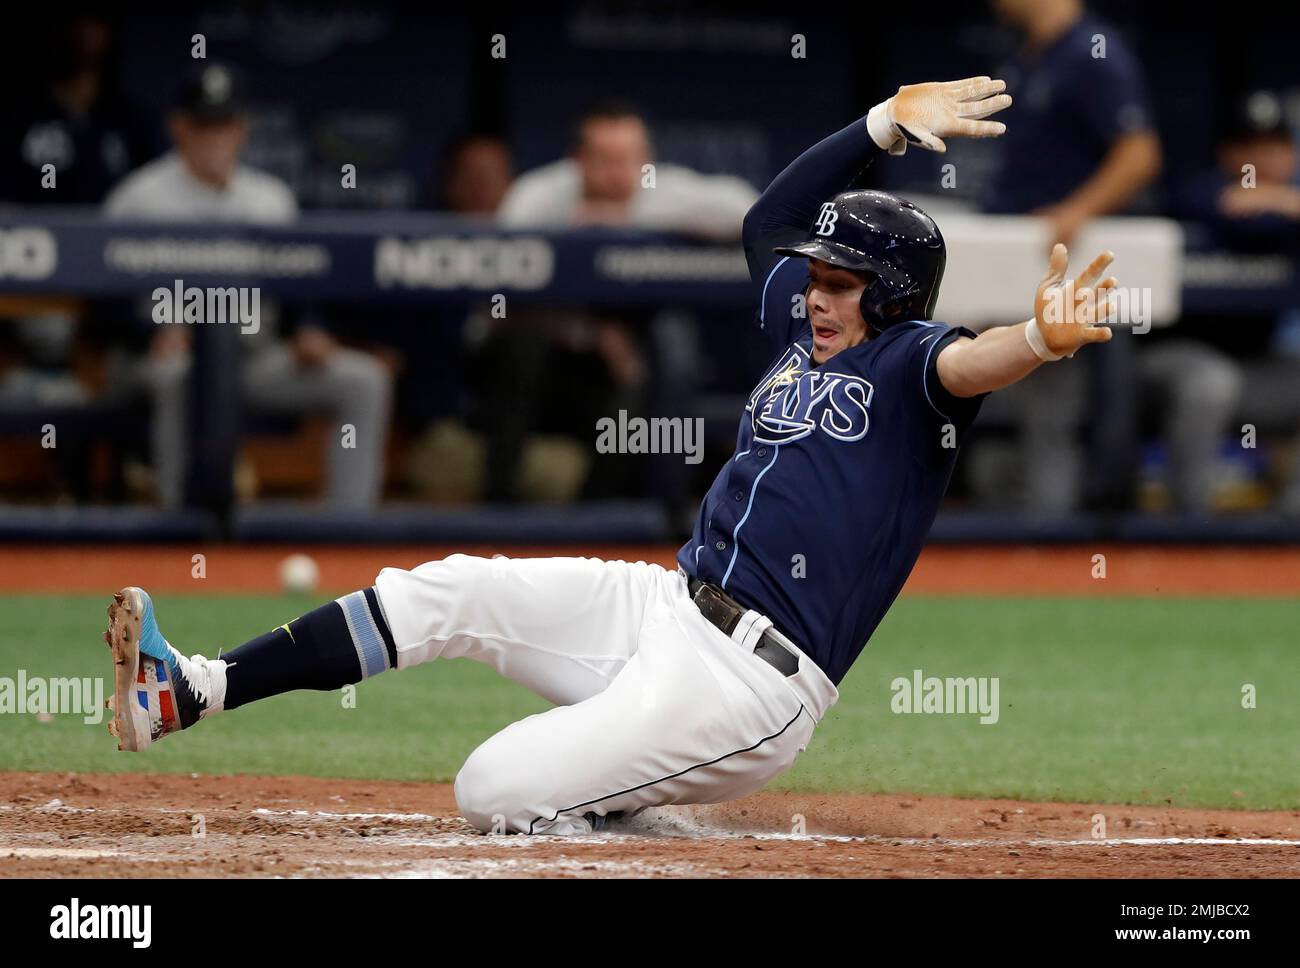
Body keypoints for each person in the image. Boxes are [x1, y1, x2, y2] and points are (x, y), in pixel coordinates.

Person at [100, 77, 1112, 836]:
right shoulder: (805, 329)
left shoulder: (909, 362)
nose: (815, 290)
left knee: (489, 789)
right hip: (669, 605)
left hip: (751, 686)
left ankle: (636, 825)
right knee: (440, 591)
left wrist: (1038, 339)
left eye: (841, 281)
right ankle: (191, 687)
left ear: (889, 297)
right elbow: (767, 221)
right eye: (817, 275)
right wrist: (881, 122)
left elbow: (976, 363)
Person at [101, 65, 392, 509]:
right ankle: (182, 527)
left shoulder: (270, 199)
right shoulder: (138, 198)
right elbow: (99, 303)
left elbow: (301, 284)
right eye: (203, 124)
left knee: (363, 380)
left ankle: (347, 531)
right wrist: (147, 336)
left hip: (252, 357)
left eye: (225, 124)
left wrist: (308, 329)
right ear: (178, 125)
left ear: (243, 128)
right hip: (166, 357)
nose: (215, 136)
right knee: (181, 377)